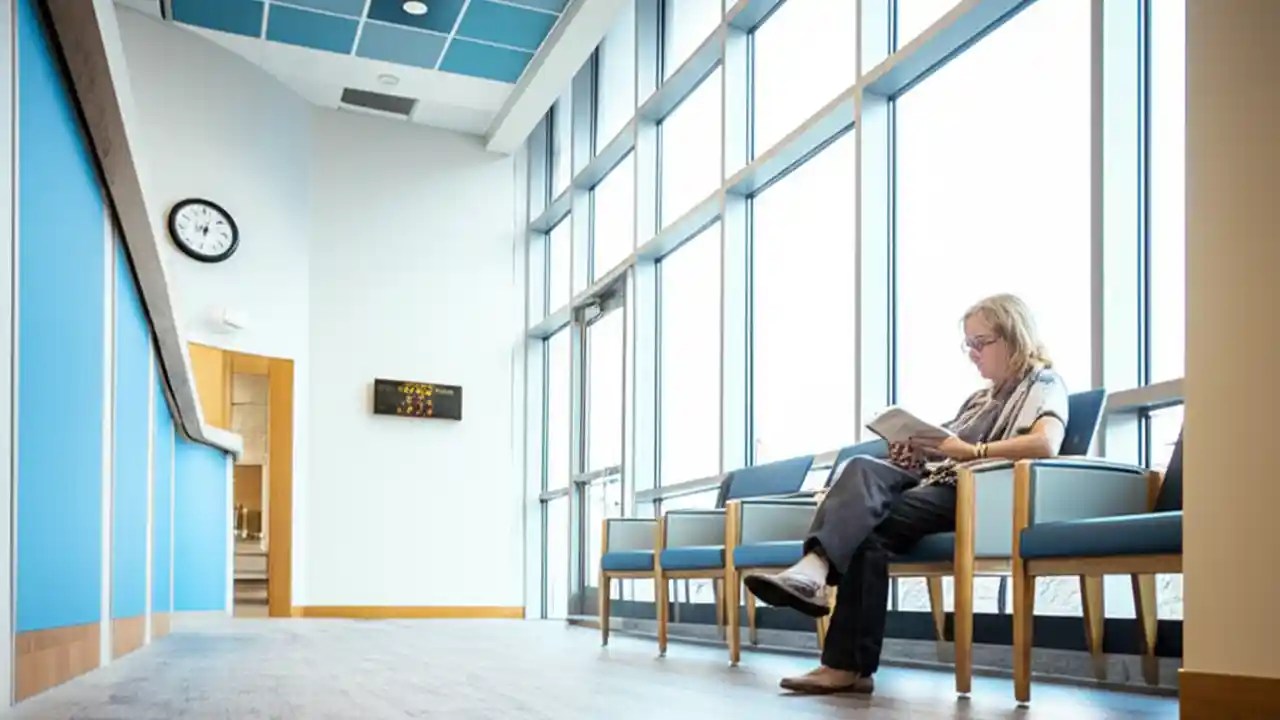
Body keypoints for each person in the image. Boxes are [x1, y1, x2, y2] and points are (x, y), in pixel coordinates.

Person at [742, 293, 1069, 695]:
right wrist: (914, 450)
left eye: (980, 342)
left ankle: (825, 608)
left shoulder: (1043, 383)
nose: (972, 354)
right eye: (968, 344)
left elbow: (1046, 443)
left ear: (1013, 338)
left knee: (865, 518)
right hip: (941, 484)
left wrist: (973, 452)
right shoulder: (980, 399)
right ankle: (843, 651)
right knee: (863, 477)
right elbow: (944, 447)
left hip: (982, 493)